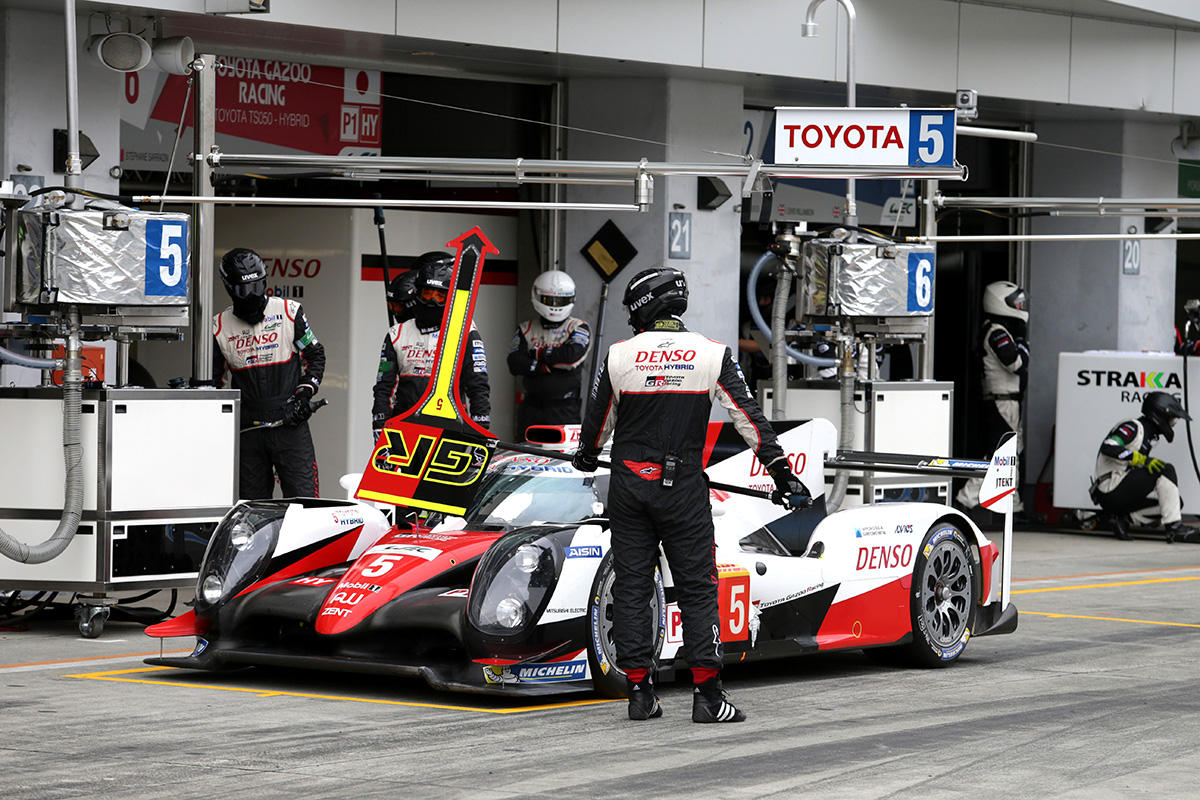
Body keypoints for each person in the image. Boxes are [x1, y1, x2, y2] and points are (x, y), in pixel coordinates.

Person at [572, 266, 809, 724]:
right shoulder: (712, 353)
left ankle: (640, 694)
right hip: (681, 488)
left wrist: (586, 455)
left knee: (633, 588)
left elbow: (597, 429)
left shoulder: (618, 355)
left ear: (645, 305)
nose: (629, 318)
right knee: (699, 590)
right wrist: (783, 475)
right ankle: (708, 698)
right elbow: (749, 419)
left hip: (628, 485)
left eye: (631, 309)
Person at [213, 247, 325, 499]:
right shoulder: (218, 326)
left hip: (290, 422)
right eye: (244, 289)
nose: (252, 294)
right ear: (230, 288)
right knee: (251, 508)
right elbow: (213, 385)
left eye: (257, 286)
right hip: (248, 430)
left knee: (305, 502)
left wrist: (304, 395)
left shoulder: (290, 312)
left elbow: (316, 355)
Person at [372, 251, 490, 439]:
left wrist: (481, 430)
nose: (432, 301)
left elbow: (478, 385)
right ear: (417, 293)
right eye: (427, 294)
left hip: (450, 432)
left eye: (439, 296)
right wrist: (379, 426)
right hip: (404, 430)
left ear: (450, 298)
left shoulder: (465, 331)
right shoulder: (397, 334)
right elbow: (383, 388)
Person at [956, 280, 1029, 513]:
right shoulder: (997, 332)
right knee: (999, 455)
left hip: (1007, 402)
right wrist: (1023, 343)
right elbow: (1016, 364)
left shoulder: (997, 329)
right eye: (1016, 304)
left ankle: (1013, 507)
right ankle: (964, 500)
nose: (1020, 308)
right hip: (1002, 403)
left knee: (1011, 453)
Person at [1091, 391, 1200, 543]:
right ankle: (1174, 529)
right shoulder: (1133, 427)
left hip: (1119, 494)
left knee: (1172, 503)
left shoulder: (1148, 435)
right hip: (1109, 488)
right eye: (1171, 419)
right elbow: (1108, 447)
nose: (1172, 424)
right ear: (1160, 414)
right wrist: (1141, 459)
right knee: (1166, 469)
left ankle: (1120, 518)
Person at [506, 270, 591, 440]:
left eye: (561, 301)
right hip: (531, 408)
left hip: (565, 409)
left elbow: (570, 358)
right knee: (526, 453)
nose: (555, 305)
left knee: (564, 454)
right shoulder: (526, 328)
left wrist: (537, 353)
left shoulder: (578, 327)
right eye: (549, 300)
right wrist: (546, 366)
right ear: (537, 296)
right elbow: (515, 363)